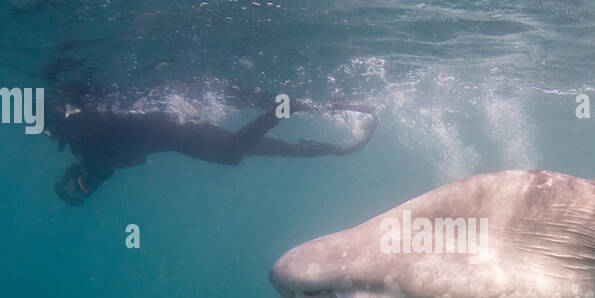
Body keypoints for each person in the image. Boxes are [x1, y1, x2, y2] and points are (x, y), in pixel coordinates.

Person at [47, 99, 377, 205]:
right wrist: (79, 178)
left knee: (233, 153)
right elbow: (114, 161)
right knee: (244, 149)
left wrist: (77, 185)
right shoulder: (85, 134)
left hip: (178, 133)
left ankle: (285, 108)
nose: (49, 136)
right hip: (177, 132)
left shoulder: (84, 136)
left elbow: (109, 167)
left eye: (48, 130)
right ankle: (335, 146)